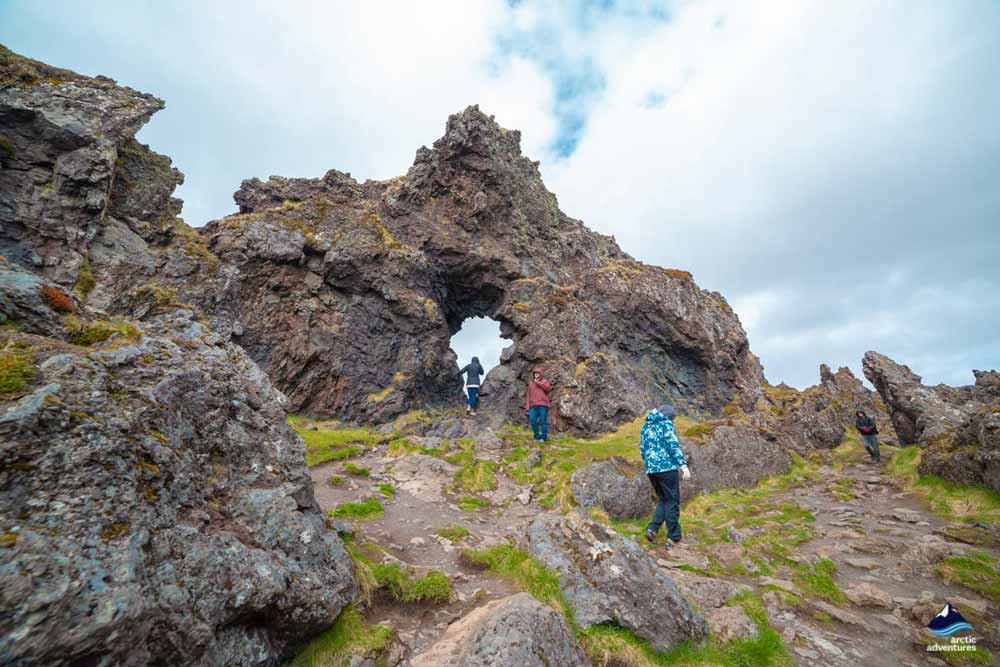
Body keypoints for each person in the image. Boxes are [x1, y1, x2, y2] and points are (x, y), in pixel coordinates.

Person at [640, 403, 691, 545]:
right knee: (672, 501)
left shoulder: (646, 426)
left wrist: (650, 463)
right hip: (667, 468)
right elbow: (673, 446)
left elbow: (642, 449)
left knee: (664, 499)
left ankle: (652, 529)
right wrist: (683, 465)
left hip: (652, 470)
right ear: (669, 416)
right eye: (673, 419)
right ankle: (674, 535)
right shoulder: (666, 424)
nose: (673, 421)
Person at [524, 367, 552, 442]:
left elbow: (548, 388)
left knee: (543, 421)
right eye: (535, 373)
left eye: (537, 373)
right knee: (532, 420)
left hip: (543, 405)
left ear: (541, 374)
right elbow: (528, 396)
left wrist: (538, 383)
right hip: (533, 406)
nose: (536, 375)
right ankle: (537, 436)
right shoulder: (531, 384)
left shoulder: (544, 381)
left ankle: (543, 438)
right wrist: (527, 407)